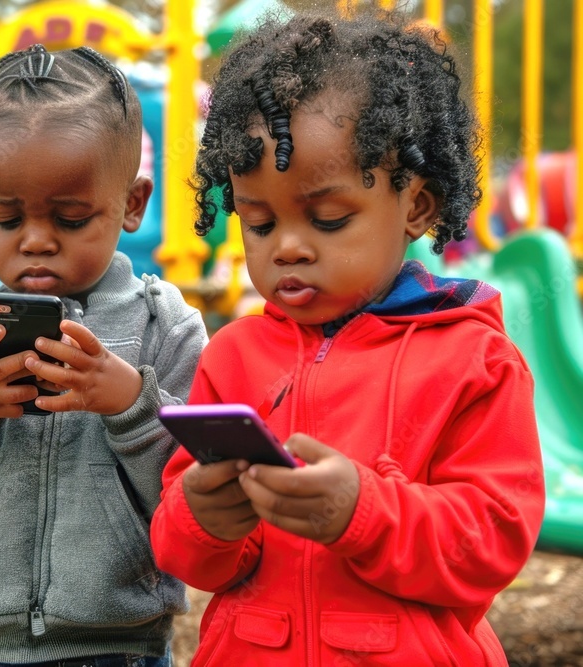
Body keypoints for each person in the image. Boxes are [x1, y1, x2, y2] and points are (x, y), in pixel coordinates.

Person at [149, 10, 546, 667]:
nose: (289, 249)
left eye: (328, 219)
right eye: (259, 222)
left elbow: (491, 543)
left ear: (416, 207)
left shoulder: (473, 359)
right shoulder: (233, 356)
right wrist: (204, 518)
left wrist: (363, 511)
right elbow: (185, 551)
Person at [0, 44, 209, 667]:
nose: (35, 240)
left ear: (133, 204)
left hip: (121, 648)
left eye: (70, 217)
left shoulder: (166, 329)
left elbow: (194, 500)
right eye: (4, 218)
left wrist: (132, 406)